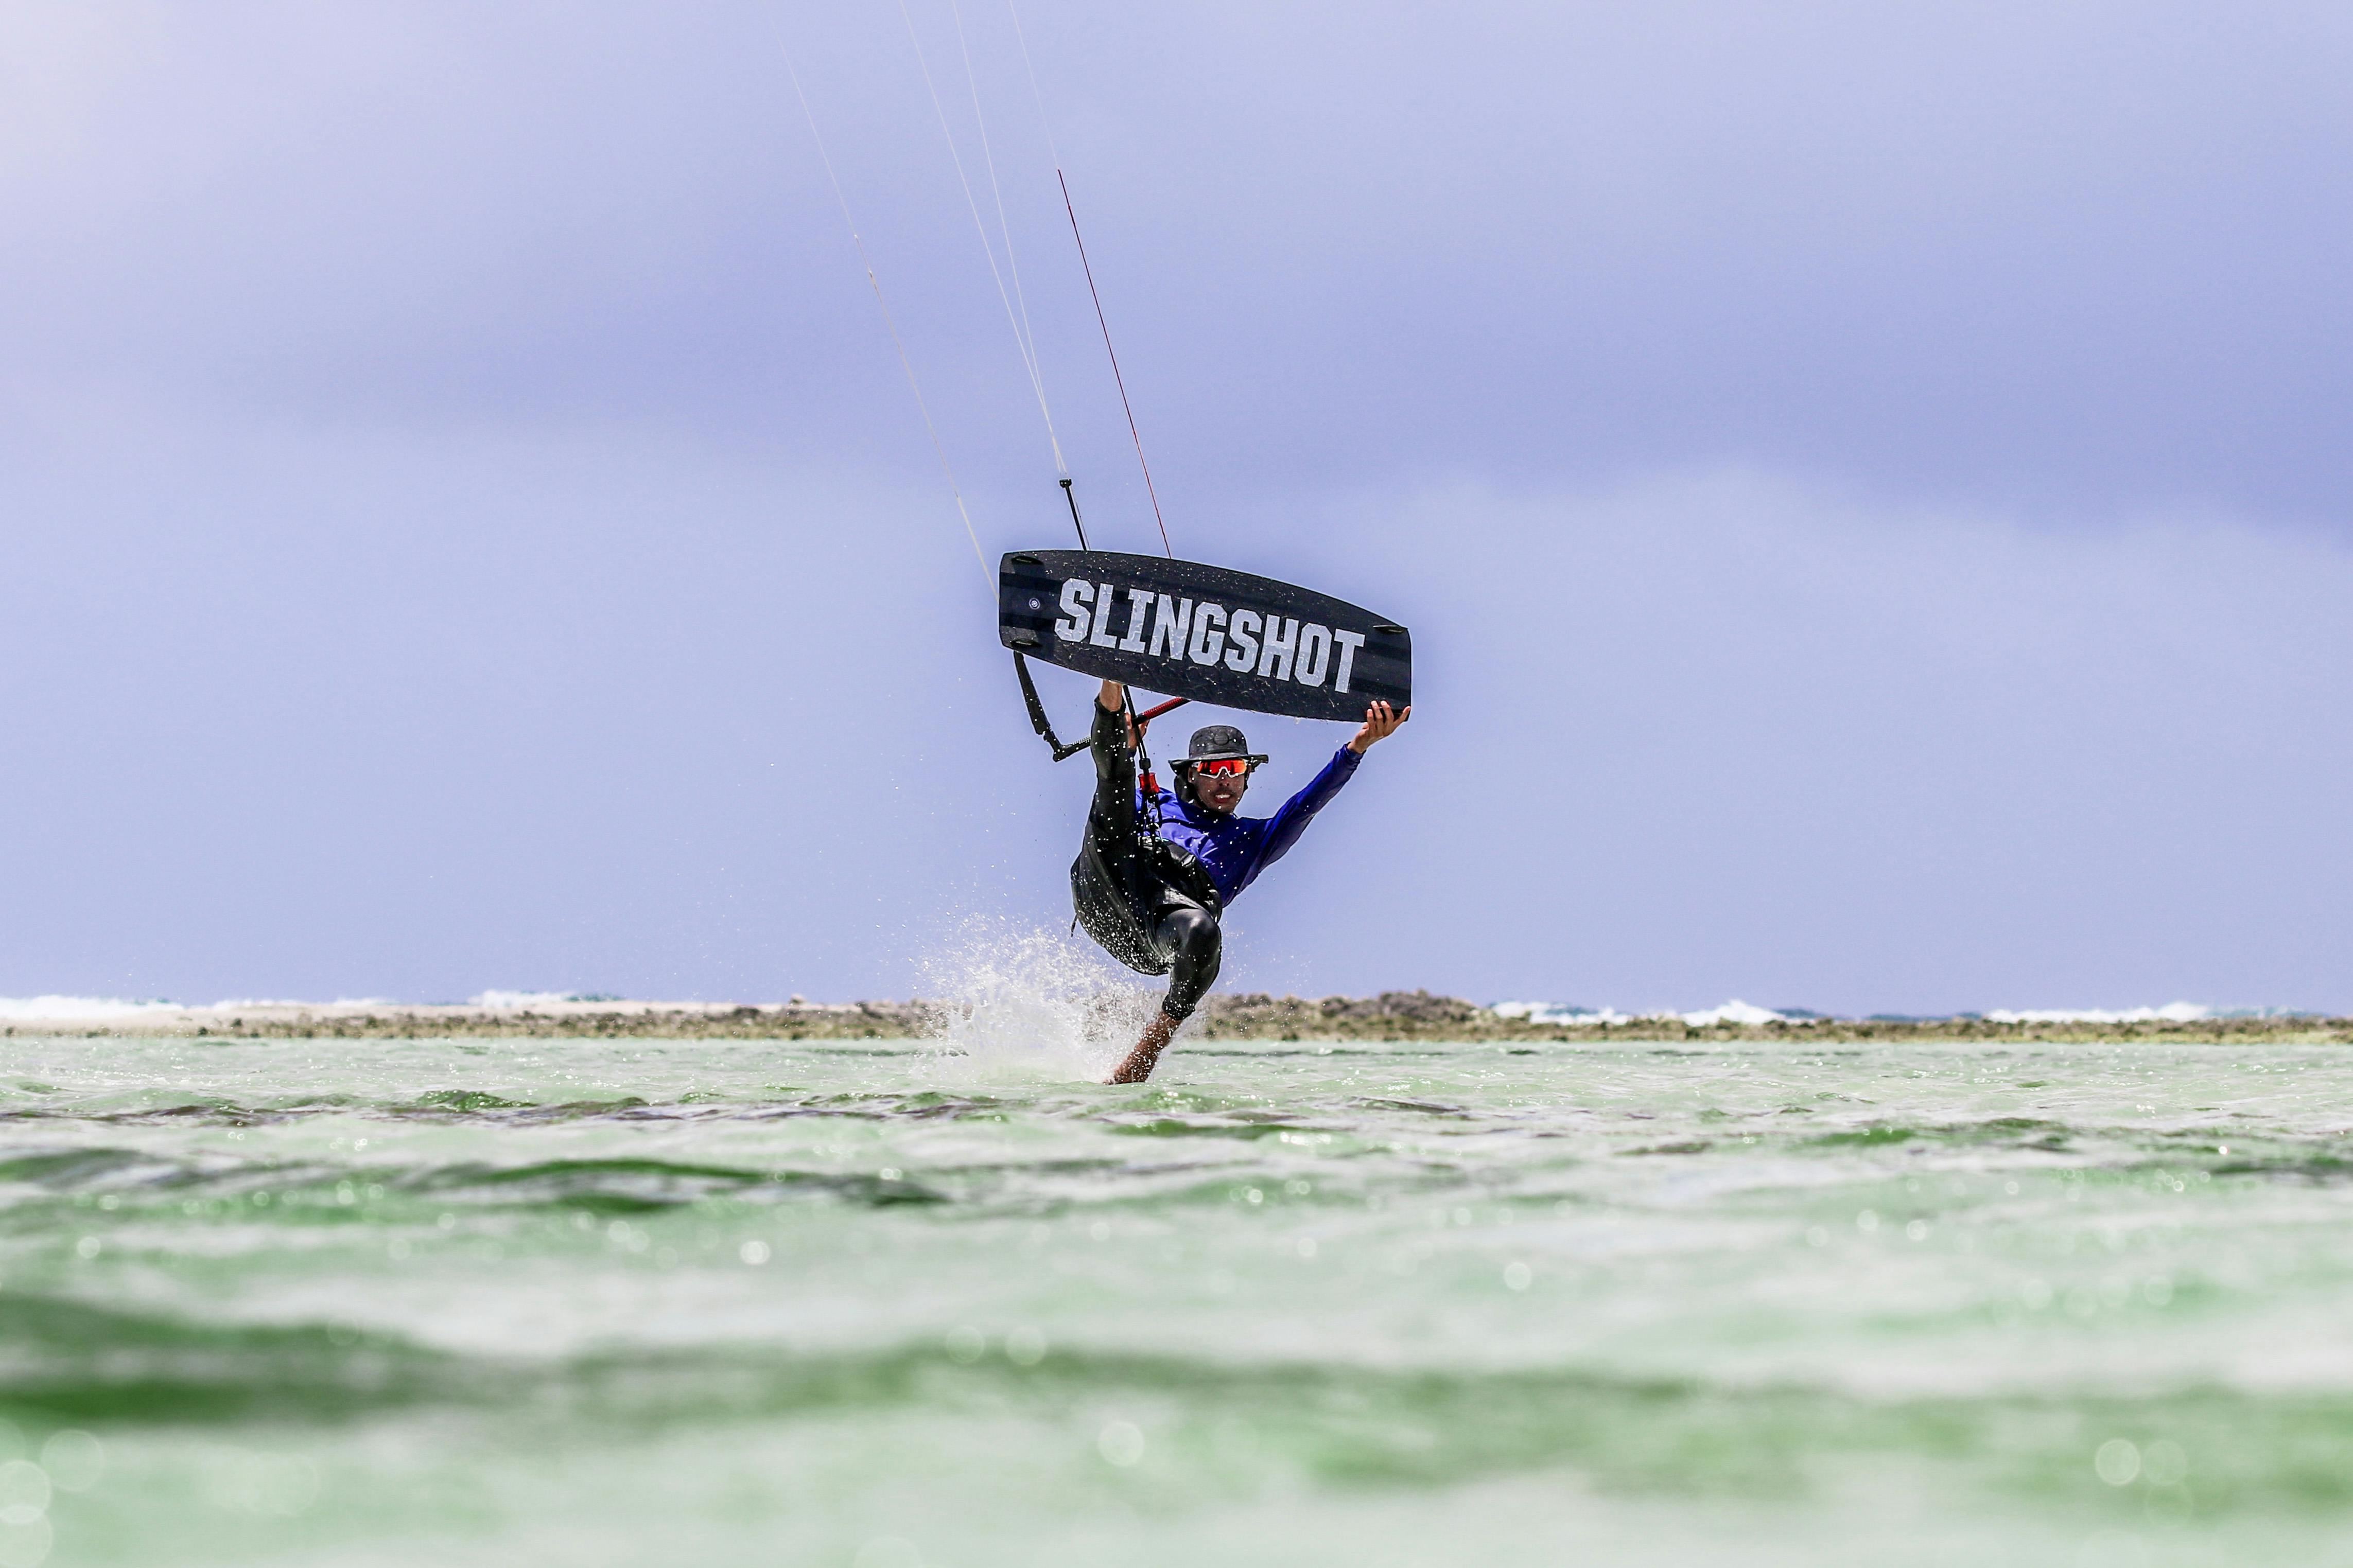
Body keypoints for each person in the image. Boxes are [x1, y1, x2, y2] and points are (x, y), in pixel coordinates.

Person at [1073, 678, 1409, 1083]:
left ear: (1247, 777)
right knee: (1114, 786)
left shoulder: (1253, 840)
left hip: (1157, 933)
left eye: (1234, 770)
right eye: (1213, 770)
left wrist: (1356, 748)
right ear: (1191, 776)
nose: (1225, 781)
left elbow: (1306, 805)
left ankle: (1144, 1055)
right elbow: (1110, 769)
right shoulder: (1154, 799)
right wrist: (1121, 735)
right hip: (1106, 890)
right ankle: (1110, 678)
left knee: (1203, 929)